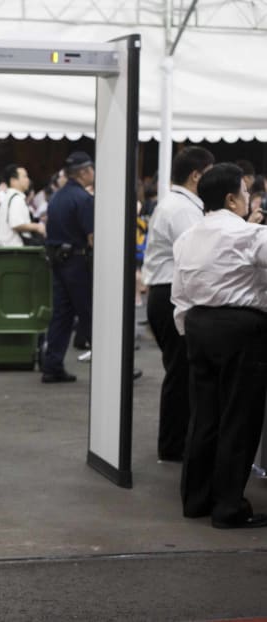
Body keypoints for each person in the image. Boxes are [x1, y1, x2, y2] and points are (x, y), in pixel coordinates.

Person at [172, 162, 267, 528]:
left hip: (199, 327)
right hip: (241, 329)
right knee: (238, 420)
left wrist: (189, 330)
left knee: (204, 417)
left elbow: (179, 295)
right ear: (231, 199)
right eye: (245, 193)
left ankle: (196, 500)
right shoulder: (249, 235)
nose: (248, 199)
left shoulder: (188, 238)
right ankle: (228, 507)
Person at [141, 146, 215, 462]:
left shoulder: (178, 203)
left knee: (179, 371)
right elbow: (198, 253)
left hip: (165, 293)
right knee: (180, 372)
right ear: (196, 175)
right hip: (168, 294)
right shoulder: (182, 208)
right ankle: (174, 445)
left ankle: (175, 441)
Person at [41, 152, 95, 383]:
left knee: (62, 315)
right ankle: (114, 367)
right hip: (78, 262)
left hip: (58, 261)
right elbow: (92, 237)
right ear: (83, 172)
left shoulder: (57, 197)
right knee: (91, 314)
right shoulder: (83, 199)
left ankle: (52, 365)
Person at [0, 164, 45, 247]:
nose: (27, 180)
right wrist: (37, 227)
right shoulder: (16, 198)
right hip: (16, 250)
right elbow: (16, 224)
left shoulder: (9, 197)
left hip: (8, 249)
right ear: (13, 181)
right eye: (25, 176)